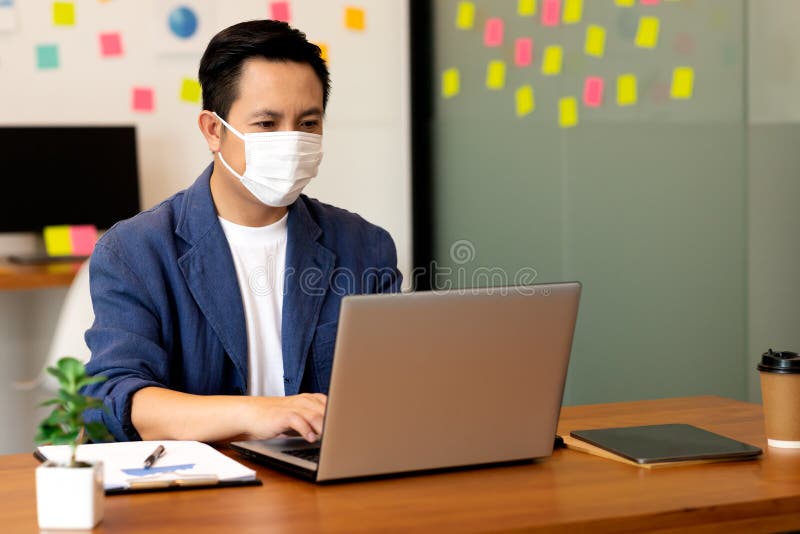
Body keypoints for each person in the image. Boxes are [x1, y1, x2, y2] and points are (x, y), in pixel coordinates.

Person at [84, 20, 402, 443]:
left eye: (307, 123)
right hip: (198, 489)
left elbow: (392, 388)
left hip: (325, 483)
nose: (290, 140)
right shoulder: (134, 250)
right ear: (213, 130)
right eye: (267, 124)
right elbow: (117, 397)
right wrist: (258, 413)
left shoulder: (365, 246)